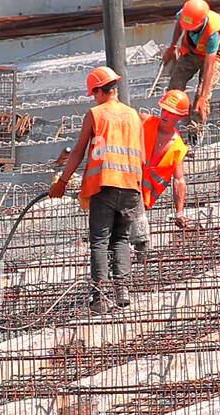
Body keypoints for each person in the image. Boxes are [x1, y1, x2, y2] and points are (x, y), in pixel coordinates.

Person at [49, 66, 144, 313]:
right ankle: (122, 289)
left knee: (100, 242)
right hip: (132, 187)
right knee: (121, 239)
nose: (94, 98)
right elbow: (141, 155)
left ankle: (99, 296)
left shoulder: (96, 114)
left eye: (94, 93)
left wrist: (62, 182)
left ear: (100, 92)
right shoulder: (134, 115)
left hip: (105, 186)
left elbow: (78, 151)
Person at [132, 89, 194, 262]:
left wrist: (179, 212)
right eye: (164, 110)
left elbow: (179, 179)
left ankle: (139, 261)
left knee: (137, 231)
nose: (166, 115)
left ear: (180, 117)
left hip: (143, 197)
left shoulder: (178, 147)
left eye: (172, 113)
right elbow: (125, 115)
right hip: (126, 182)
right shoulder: (145, 121)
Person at [163, 0, 220, 133]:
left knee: (201, 98)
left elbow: (209, 66)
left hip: (212, 57)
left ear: (201, 23)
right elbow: (180, 25)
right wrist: (173, 46)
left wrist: (203, 97)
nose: (188, 29)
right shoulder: (187, 14)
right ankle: (178, 123)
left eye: (191, 28)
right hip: (192, 51)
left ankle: (195, 131)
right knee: (174, 87)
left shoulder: (212, 34)